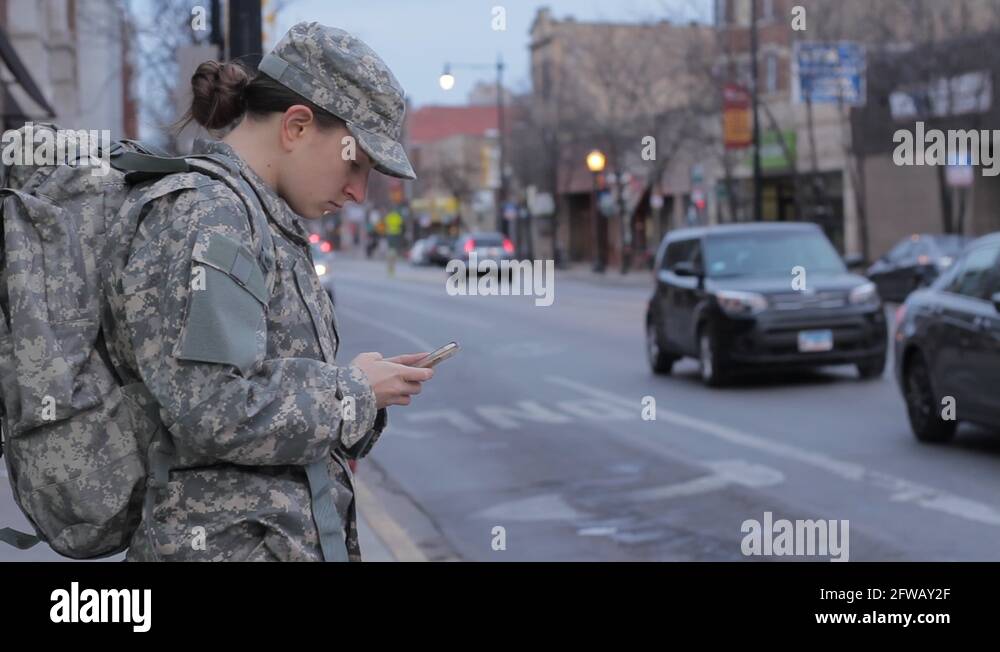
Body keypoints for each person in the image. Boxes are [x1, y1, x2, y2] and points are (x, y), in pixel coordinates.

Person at [107, 21, 432, 561]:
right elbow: (213, 410)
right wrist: (352, 391)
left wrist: (361, 393)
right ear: (297, 126)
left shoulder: (255, 216)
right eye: (356, 163)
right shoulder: (211, 215)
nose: (357, 191)